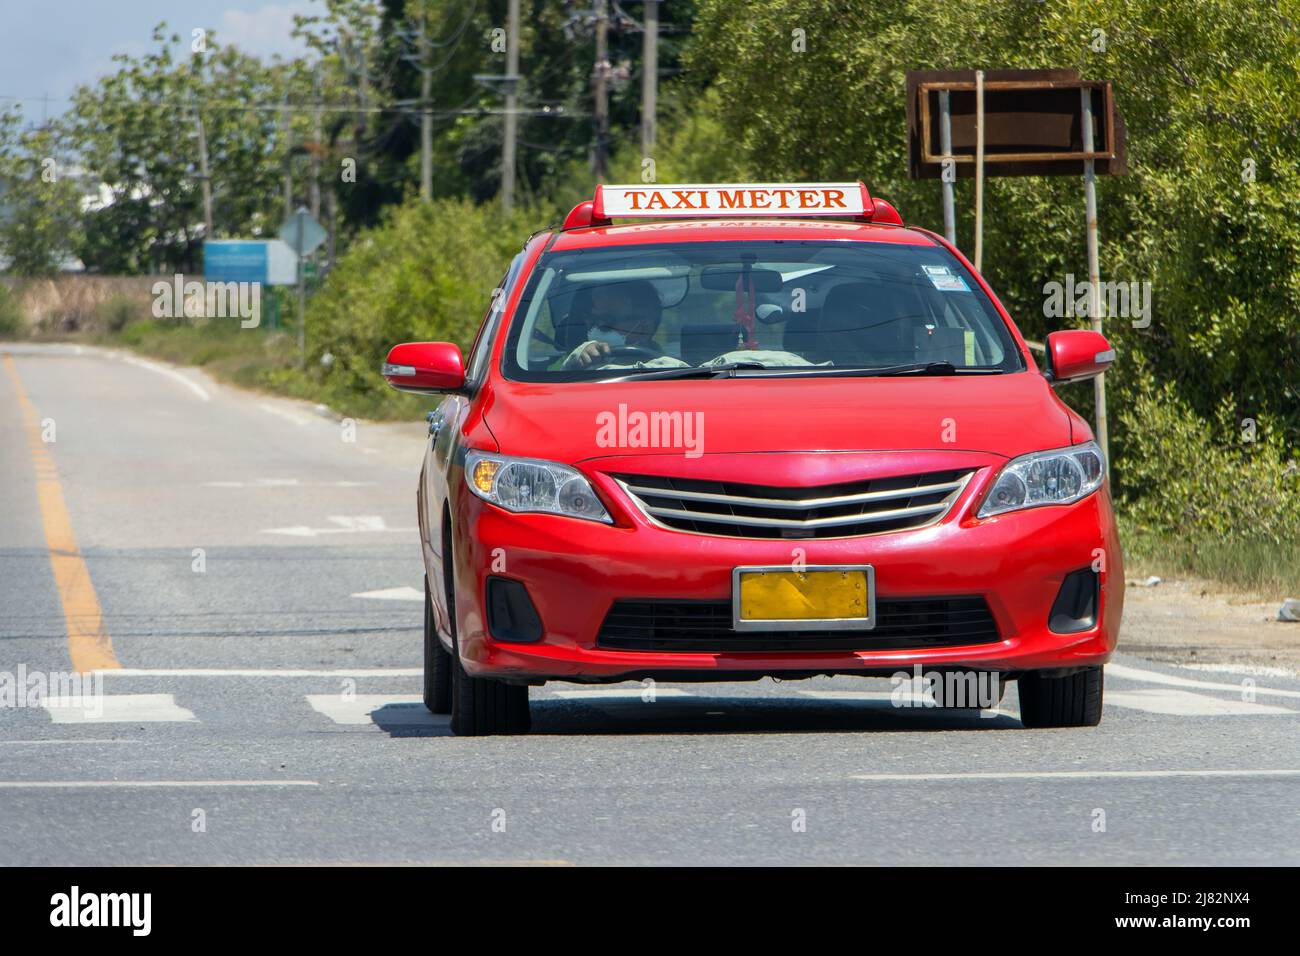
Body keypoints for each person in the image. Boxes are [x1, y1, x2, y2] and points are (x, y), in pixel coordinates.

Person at [561, 280, 685, 370]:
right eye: (593, 321)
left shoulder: (673, 369)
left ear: (643, 327)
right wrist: (576, 360)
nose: (595, 328)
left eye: (608, 320)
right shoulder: (574, 365)